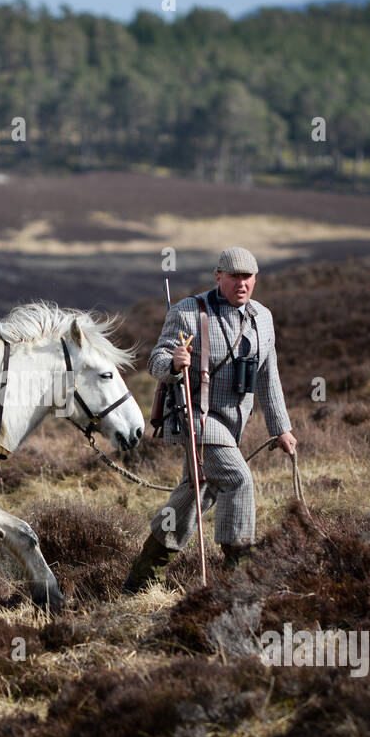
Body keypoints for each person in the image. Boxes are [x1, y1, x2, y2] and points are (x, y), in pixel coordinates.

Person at [122, 245, 297, 592]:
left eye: (247, 277)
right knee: (238, 479)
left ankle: (142, 578)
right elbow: (155, 361)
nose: (241, 284)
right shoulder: (189, 312)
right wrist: (174, 362)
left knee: (195, 495)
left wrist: (282, 428)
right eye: (234, 277)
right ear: (219, 277)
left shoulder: (263, 318)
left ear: (255, 279)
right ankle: (239, 573)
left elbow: (268, 375)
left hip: (234, 424)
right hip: (195, 418)